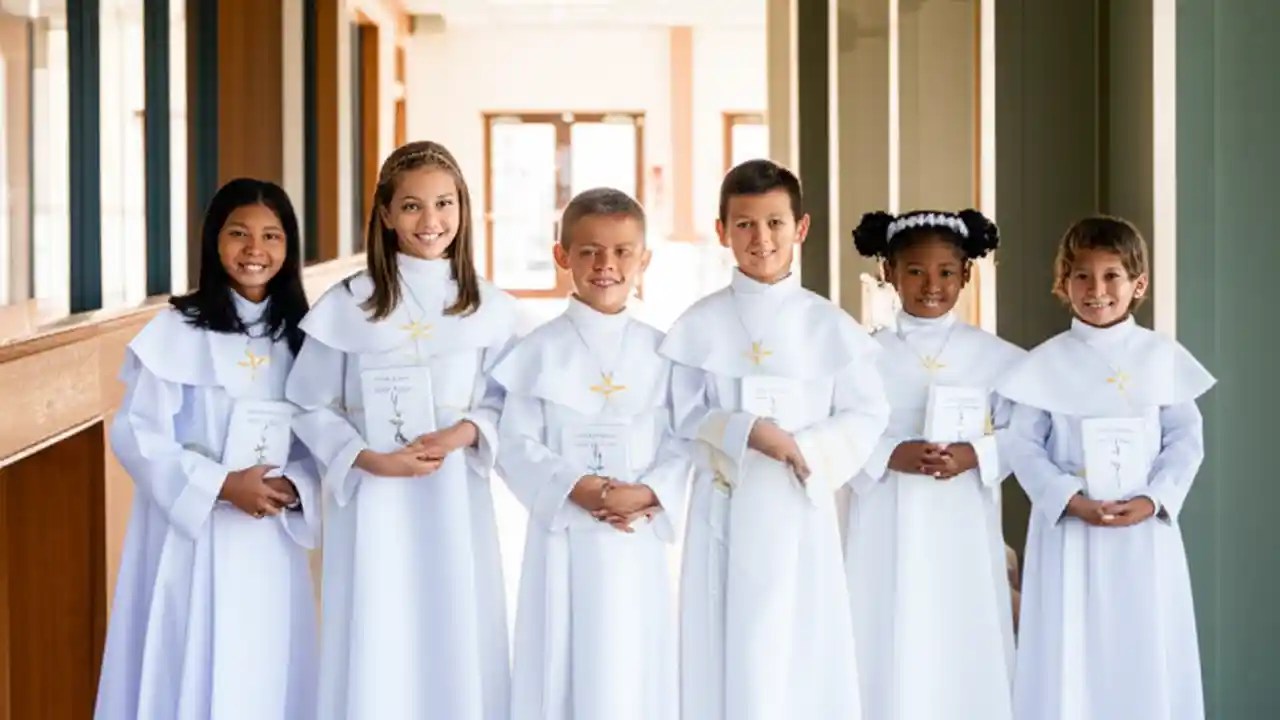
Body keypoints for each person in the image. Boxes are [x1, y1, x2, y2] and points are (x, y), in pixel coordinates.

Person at [286, 141, 518, 719]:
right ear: (385, 214)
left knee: (454, 623)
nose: (431, 221)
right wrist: (366, 457)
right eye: (412, 206)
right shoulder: (348, 304)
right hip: (373, 501)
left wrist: (463, 433)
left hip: (453, 496)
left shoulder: (488, 306)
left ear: (463, 209)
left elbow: (507, 401)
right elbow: (309, 405)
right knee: (378, 626)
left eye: (444, 203)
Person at [659, 159, 889, 719]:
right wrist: (747, 431)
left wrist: (802, 448)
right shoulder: (699, 322)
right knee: (726, 643)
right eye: (744, 225)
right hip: (724, 507)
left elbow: (866, 412)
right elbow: (681, 413)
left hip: (799, 506)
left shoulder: (829, 325)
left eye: (775, 223)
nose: (760, 239)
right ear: (722, 232)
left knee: (798, 643)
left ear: (800, 228)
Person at [95, 178, 318, 719]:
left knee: (265, 668)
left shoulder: (303, 336)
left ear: (289, 249)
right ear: (213, 242)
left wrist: (299, 484)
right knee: (190, 663)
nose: (255, 250)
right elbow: (137, 432)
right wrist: (221, 484)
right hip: (192, 535)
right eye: (238, 233)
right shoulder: (176, 329)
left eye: (272, 236)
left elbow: (320, 433)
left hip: (270, 536)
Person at [998, 216, 1216, 720]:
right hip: (1072, 529)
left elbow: (1185, 438)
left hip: (1143, 529)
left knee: (1144, 642)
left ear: (1138, 283)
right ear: (1063, 283)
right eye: (1082, 276)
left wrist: (1156, 498)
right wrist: (1068, 498)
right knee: (1071, 647)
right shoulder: (1045, 363)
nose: (1096, 290)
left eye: (1111, 276)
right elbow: (1024, 444)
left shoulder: (1160, 356)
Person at [494, 187, 690, 720]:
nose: (607, 265)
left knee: (634, 667)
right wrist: (581, 489)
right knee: (561, 660)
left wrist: (648, 492)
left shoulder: (663, 351)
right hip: (565, 537)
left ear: (644, 259)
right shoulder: (536, 351)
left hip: (637, 538)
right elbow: (514, 444)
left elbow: (684, 440)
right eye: (589, 251)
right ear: (562, 256)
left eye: (623, 251)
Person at [845, 208, 1023, 720]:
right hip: (885, 521)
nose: (931, 285)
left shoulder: (999, 358)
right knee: (886, 628)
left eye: (947, 272)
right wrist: (888, 454)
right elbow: (840, 427)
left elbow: (1027, 437)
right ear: (889, 273)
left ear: (967, 274)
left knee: (961, 632)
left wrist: (977, 454)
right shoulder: (861, 354)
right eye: (916, 271)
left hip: (963, 524)